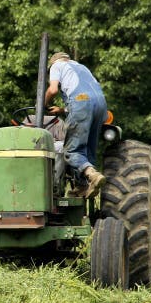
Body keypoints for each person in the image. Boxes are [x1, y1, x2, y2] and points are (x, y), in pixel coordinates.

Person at [44, 52, 107, 197]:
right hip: (101, 105)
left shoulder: (56, 66)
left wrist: (43, 103)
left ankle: (91, 175)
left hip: (81, 103)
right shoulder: (82, 67)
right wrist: (62, 110)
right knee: (88, 150)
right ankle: (84, 185)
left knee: (71, 151)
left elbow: (53, 90)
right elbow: (88, 97)